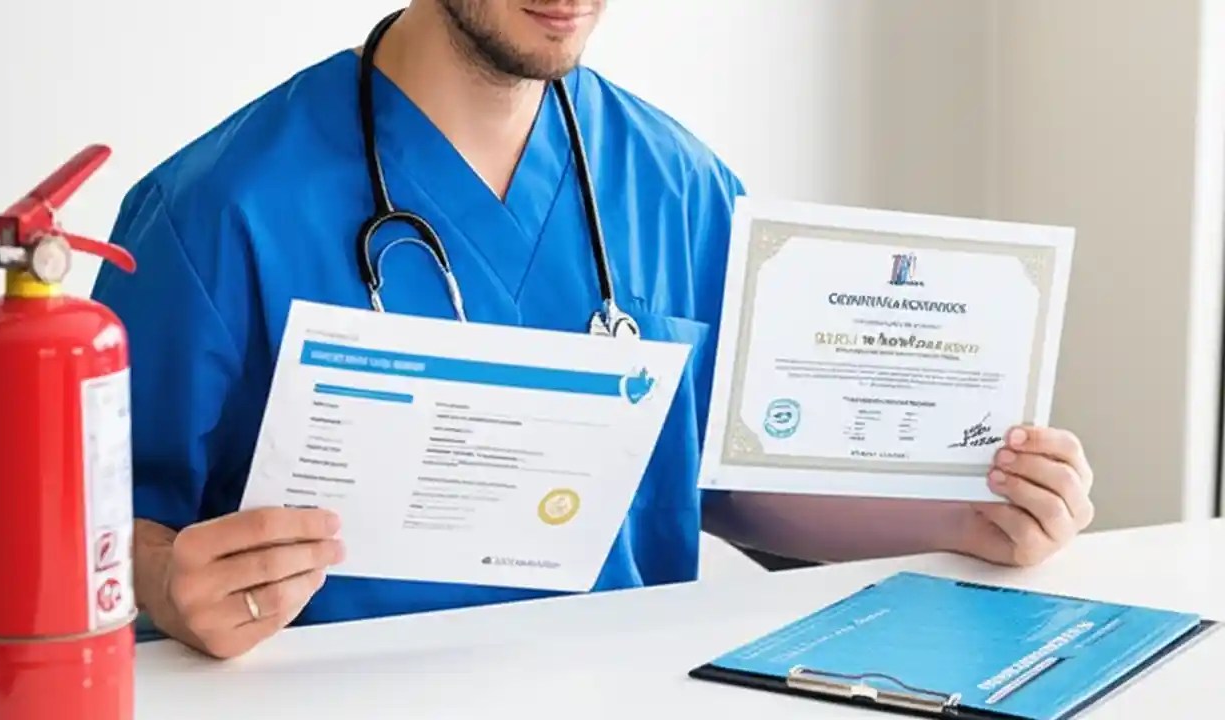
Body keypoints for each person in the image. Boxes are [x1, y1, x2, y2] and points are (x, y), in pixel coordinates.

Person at [92, 0, 1096, 660]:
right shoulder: (218, 208)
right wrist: (167, 588)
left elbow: (724, 484)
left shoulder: (672, 184)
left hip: (622, 686)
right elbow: (87, 534)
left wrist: (959, 519)